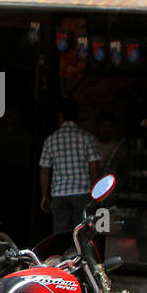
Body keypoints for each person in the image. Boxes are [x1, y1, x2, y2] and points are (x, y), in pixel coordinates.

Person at [39, 98, 101, 235]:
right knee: (82, 233)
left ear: (61, 116)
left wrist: (44, 195)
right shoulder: (87, 138)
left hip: (59, 194)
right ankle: (81, 256)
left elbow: (44, 170)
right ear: (78, 116)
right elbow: (94, 166)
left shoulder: (51, 139)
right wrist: (96, 192)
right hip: (82, 193)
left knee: (61, 235)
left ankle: (63, 256)